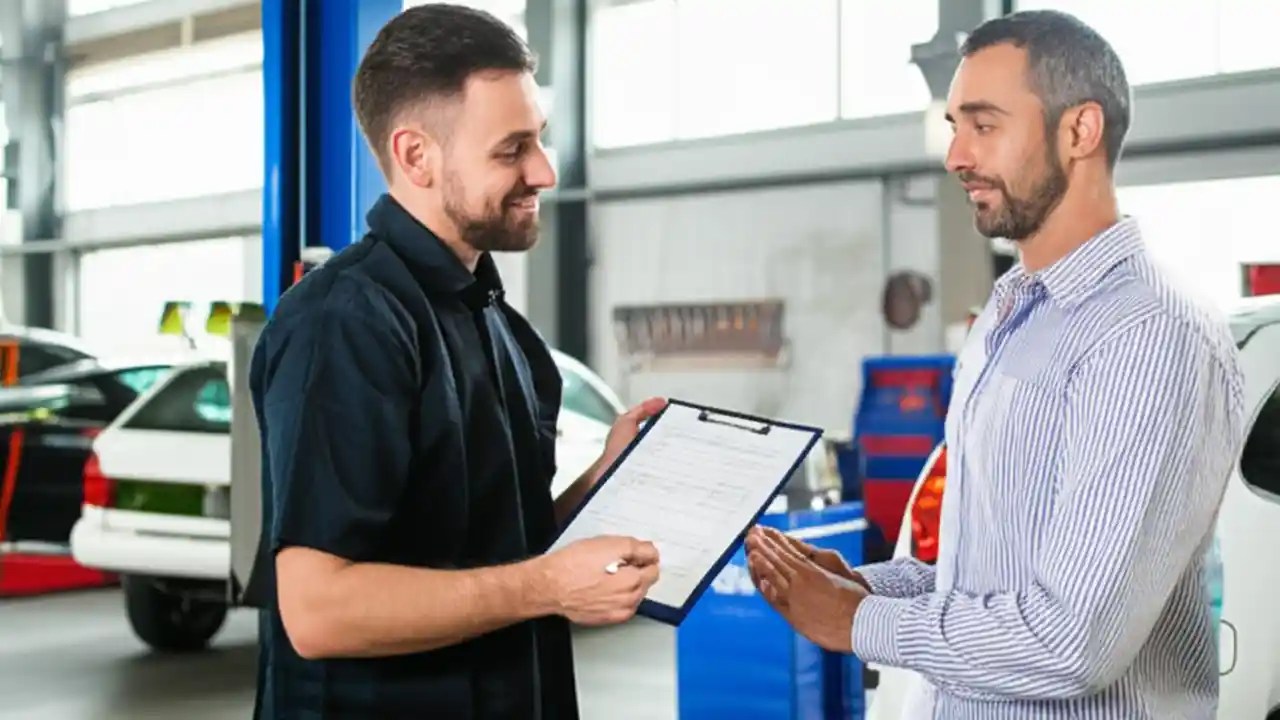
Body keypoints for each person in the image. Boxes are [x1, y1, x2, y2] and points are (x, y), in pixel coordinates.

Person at [746, 10, 1246, 719]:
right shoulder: (1014, 315)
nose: (955, 155)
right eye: (954, 126)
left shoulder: (1146, 334)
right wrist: (867, 588)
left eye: (983, 125)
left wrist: (856, 622)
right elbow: (990, 573)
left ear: (1081, 131)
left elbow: (1073, 641)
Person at [249, 5, 663, 719]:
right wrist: (548, 587)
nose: (546, 170)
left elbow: (493, 551)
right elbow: (318, 610)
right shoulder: (347, 322)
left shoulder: (497, 324)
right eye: (511, 150)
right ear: (416, 155)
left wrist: (603, 481)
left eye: (540, 139)